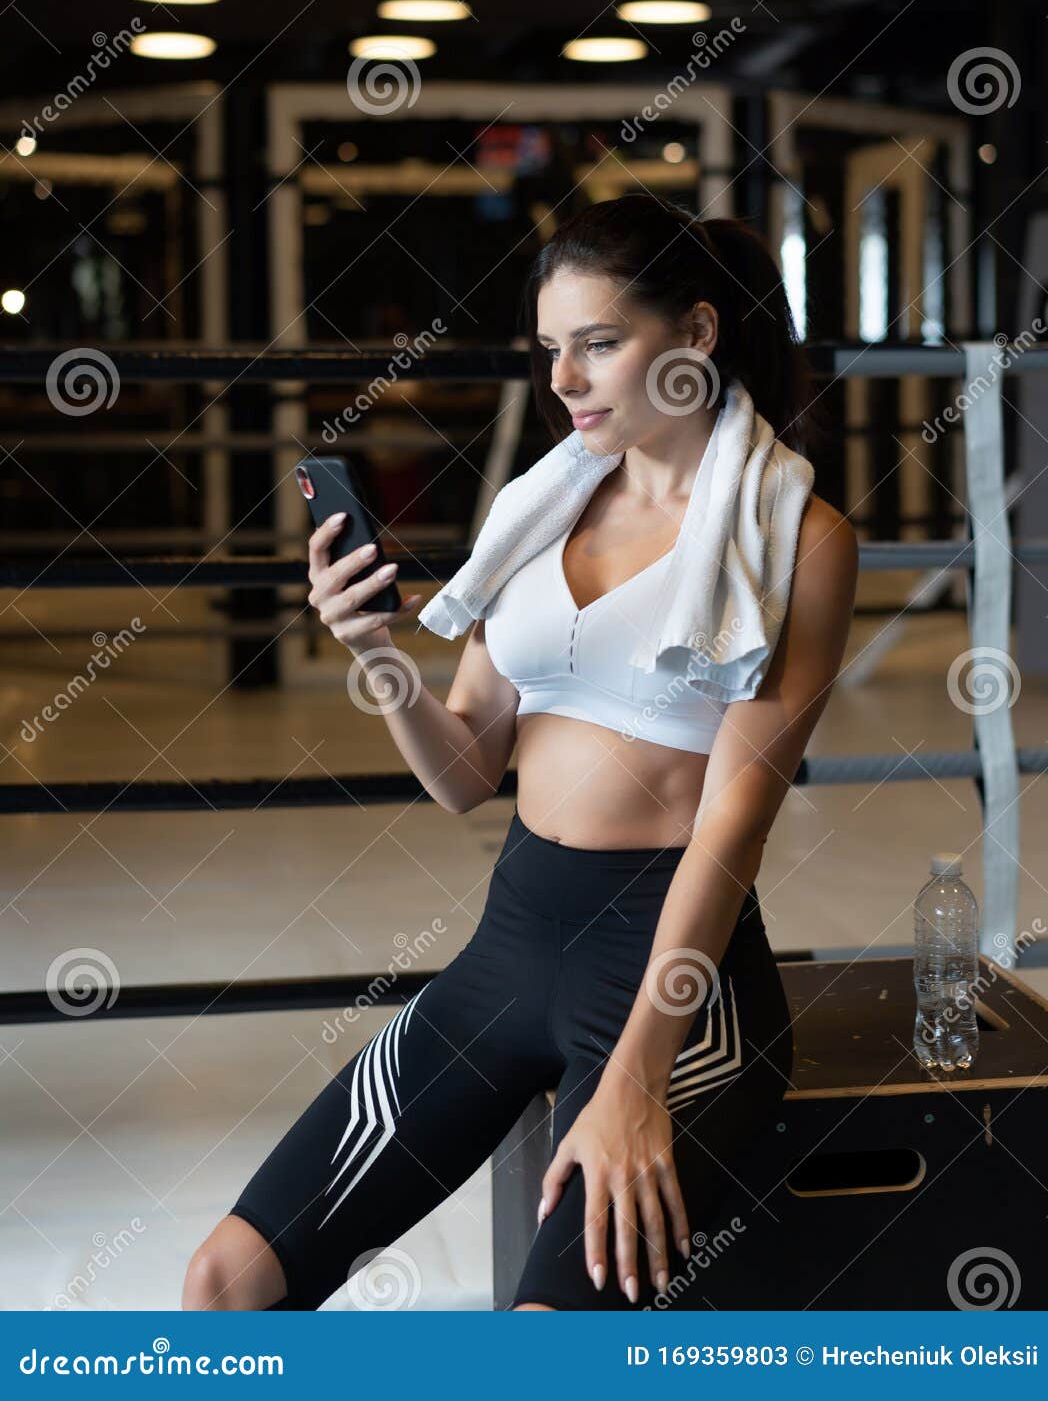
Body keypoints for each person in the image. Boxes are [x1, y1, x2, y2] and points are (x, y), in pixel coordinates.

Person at [182, 194, 858, 1312]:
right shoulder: (536, 510)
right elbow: (461, 774)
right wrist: (376, 650)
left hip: (670, 977)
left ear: (693, 335)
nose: (564, 378)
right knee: (224, 1283)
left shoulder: (799, 538)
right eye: (552, 349)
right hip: (506, 947)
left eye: (598, 343)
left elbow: (734, 823)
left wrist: (636, 1078)